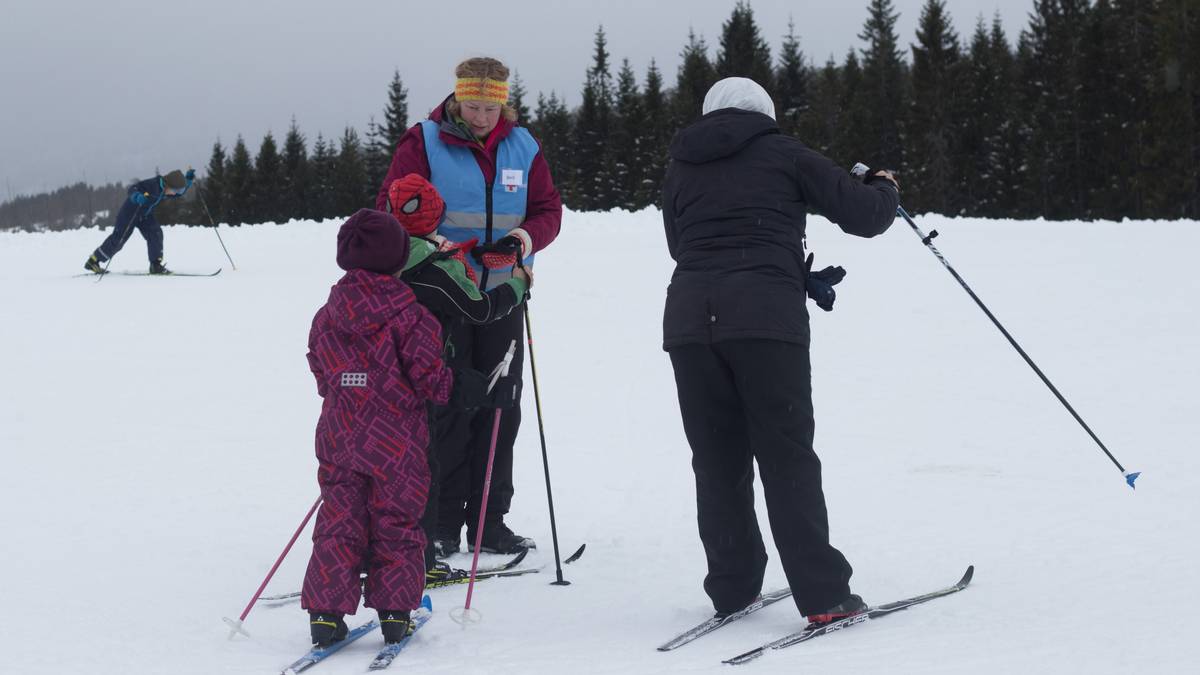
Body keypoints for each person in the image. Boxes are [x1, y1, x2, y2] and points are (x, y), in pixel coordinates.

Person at [660, 77, 900, 626]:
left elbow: (681, 243)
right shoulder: (785, 151)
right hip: (766, 320)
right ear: (763, 112)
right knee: (786, 453)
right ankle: (823, 595)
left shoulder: (681, 165)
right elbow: (865, 215)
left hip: (691, 322)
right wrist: (886, 186)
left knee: (716, 459)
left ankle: (732, 586)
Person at [375, 56, 562, 556]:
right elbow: (392, 206)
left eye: (489, 107)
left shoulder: (523, 146)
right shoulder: (425, 140)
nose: (481, 116)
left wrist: (520, 242)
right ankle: (437, 522)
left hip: (502, 295)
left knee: (500, 406)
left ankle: (489, 521)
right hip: (437, 297)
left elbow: (548, 210)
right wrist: (440, 247)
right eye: (473, 105)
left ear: (503, 103)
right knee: (445, 407)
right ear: (457, 97)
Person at [301, 208, 456, 647]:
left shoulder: (327, 314)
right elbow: (430, 378)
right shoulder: (410, 315)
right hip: (396, 443)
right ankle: (394, 611)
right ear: (397, 259)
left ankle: (326, 615)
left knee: (340, 519)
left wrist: (346, 388)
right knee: (396, 521)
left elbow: (319, 366)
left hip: (339, 433)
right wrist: (454, 380)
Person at [386, 172, 531, 582]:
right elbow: (479, 310)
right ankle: (424, 551)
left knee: (396, 461)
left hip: (383, 378)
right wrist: (517, 287)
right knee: (429, 454)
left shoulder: (383, 259)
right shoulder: (435, 267)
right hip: (429, 370)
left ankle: (390, 541)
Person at [83, 168, 193, 275]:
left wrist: (188, 180)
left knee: (155, 233)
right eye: (176, 190)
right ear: (168, 185)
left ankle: (155, 265)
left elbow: (178, 192)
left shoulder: (166, 190)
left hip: (145, 215)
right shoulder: (152, 184)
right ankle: (93, 261)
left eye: (180, 190)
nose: (176, 193)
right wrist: (137, 196)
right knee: (119, 239)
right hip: (130, 213)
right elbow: (132, 188)